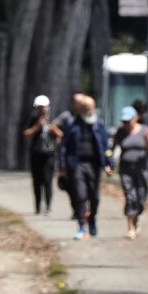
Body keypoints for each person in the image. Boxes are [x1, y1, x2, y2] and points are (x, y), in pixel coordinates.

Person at [58, 94, 113, 240]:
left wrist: (109, 163)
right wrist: (62, 166)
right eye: (87, 109)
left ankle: (92, 218)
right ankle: (82, 225)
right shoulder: (71, 124)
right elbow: (63, 147)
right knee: (80, 195)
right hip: (77, 165)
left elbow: (106, 145)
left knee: (94, 198)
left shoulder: (99, 124)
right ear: (81, 109)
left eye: (92, 108)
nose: (90, 111)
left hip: (94, 165)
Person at [112, 105, 148, 239]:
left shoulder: (144, 131)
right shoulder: (120, 132)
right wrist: (109, 164)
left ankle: (137, 220)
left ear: (135, 119)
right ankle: (130, 228)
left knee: (141, 197)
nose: (125, 124)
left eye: (128, 121)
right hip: (125, 170)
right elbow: (111, 149)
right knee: (130, 197)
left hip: (141, 169)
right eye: (123, 122)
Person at [21, 95, 62, 214]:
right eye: (39, 108)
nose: (42, 110)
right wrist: (37, 127)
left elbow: (60, 134)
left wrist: (53, 130)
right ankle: (38, 207)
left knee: (48, 181)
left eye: (43, 107)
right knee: (37, 182)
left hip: (49, 155)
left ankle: (48, 206)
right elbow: (26, 134)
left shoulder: (53, 120)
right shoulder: (33, 119)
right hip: (36, 154)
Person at [52, 94, 85, 220]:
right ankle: (77, 209)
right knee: (71, 186)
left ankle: (82, 209)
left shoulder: (88, 117)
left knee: (82, 187)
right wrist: (61, 134)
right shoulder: (67, 116)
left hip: (83, 157)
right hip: (70, 156)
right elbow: (53, 125)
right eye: (77, 103)